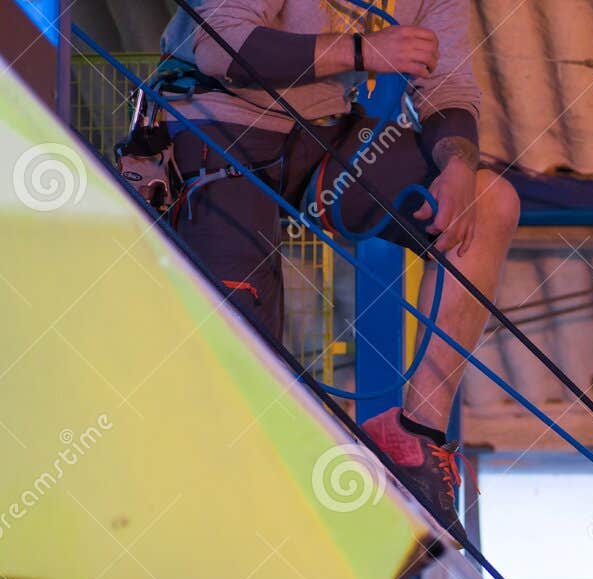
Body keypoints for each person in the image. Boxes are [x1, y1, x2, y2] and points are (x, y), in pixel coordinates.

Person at [159, 0, 521, 525]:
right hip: (219, 117)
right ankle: (224, 503)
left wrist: (458, 168)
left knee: (489, 203)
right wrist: (361, 50)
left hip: (322, 130)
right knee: (243, 331)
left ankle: (416, 437)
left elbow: (448, 87)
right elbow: (220, 45)